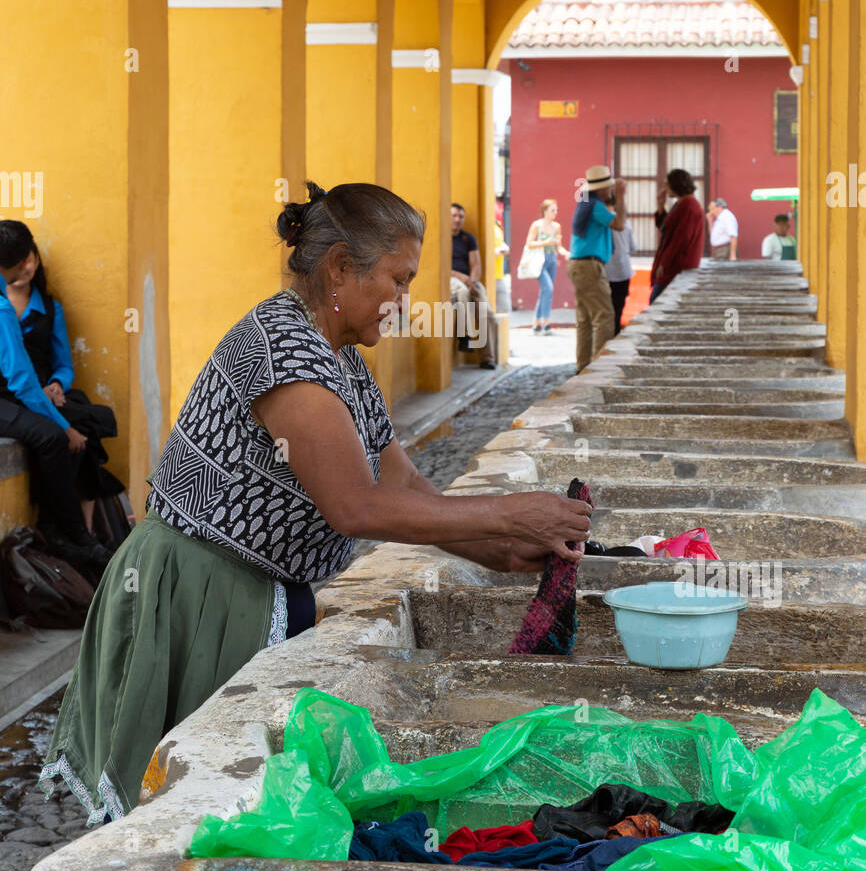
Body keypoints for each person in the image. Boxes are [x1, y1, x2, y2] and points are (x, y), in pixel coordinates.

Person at [40, 182, 593, 823]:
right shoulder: (286, 353)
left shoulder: (342, 358)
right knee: (192, 804)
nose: (405, 300)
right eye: (398, 279)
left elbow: (404, 484)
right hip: (199, 590)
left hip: (257, 588)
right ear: (338, 268)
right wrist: (510, 513)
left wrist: (498, 550)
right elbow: (354, 505)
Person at [0, 221, 119, 574]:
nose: (27, 268)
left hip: (34, 392)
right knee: (57, 434)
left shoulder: (49, 308)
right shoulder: (4, 307)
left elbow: (62, 365)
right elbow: (20, 380)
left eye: (30, 259)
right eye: (20, 263)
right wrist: (64, 426)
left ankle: (73, 530)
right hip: (18, 394)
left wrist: (56, 385)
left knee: (87, 420)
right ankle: (76, 534)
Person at [567, 166, 627, 371]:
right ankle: (600, 369)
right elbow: (619, 224)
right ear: (601, 188)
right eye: (609, 187)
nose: (611, 189)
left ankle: (583, 366)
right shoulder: (595, 205)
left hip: (578, 265)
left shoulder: (584, 202)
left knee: (584, 319)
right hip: (589, 266)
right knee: (605, 315)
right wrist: (621, 197)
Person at [450, 202, 497, 369]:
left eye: (460, 217)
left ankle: (487, 358)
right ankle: (465, 336)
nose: (457, 220)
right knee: (462, 292)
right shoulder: (441, 239)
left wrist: (473, 281)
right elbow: (441, 268)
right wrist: (464, 279)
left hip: (470, 280)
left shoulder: (468, 239)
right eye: (454, 216)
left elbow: (476, 264)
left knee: (487, 313)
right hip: (452, 279)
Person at [650, 169, 706, 303]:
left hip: (676, 267)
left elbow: (681, 239)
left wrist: (664, 263)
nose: (664, 188)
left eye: (667, 185)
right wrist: (660, 206)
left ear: (676, 185)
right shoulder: (682, 204)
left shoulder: (689, 205)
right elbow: (666, 228)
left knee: (657, 302)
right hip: (673, 265)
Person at [525, 198, 569, 333]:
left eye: (556, 210)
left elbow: (559, 247)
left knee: (544, 291)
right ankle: (546, 321)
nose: (555, 213)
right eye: (552, 210)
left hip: (552, 260)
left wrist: (568, 253)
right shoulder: (536, 225)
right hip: (540, 261)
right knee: (548, 288)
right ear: (545, 211)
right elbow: (529, 243)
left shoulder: (556, 226)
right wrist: (546, 242)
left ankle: (537, 322)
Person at [602, 190, 637, 333]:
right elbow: (632, 247)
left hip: (605, 271)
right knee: (618, 310)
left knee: (605, 311)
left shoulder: (601, 221)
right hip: (623, 270)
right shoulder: (625, 223)